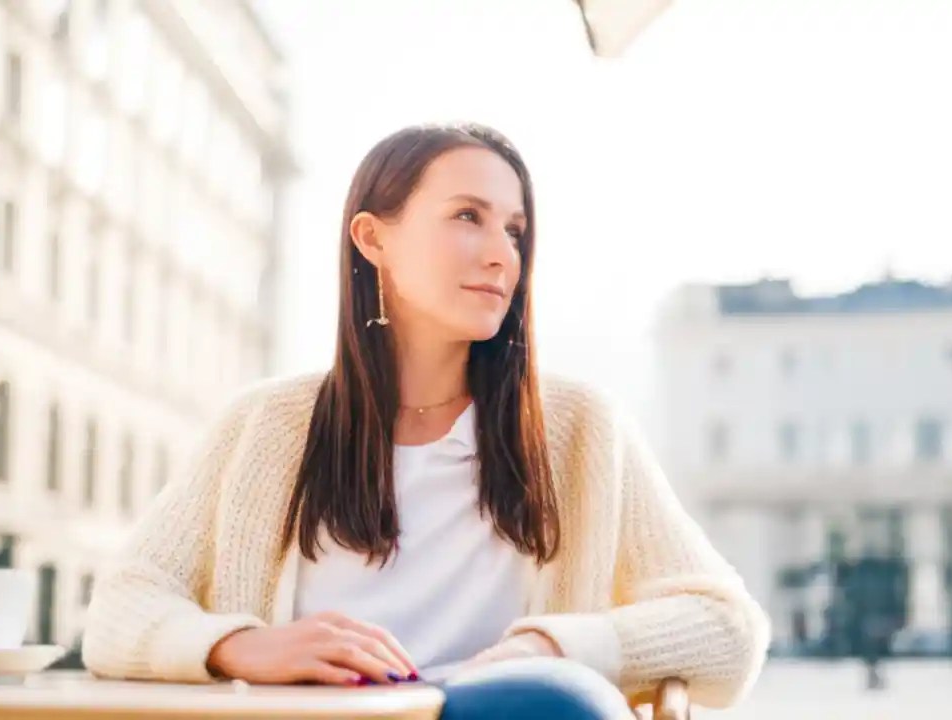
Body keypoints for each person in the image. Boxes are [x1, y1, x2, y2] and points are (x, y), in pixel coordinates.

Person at [82, 123, 770, 719]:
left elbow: (729, 629)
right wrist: (242, 646)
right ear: (373, 237)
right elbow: (118, 611)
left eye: (515, 229)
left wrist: (551, 648)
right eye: (468, 216)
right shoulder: (266, 427)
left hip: (504, 718)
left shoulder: (580, 429)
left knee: (558, 702)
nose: (503, 253)